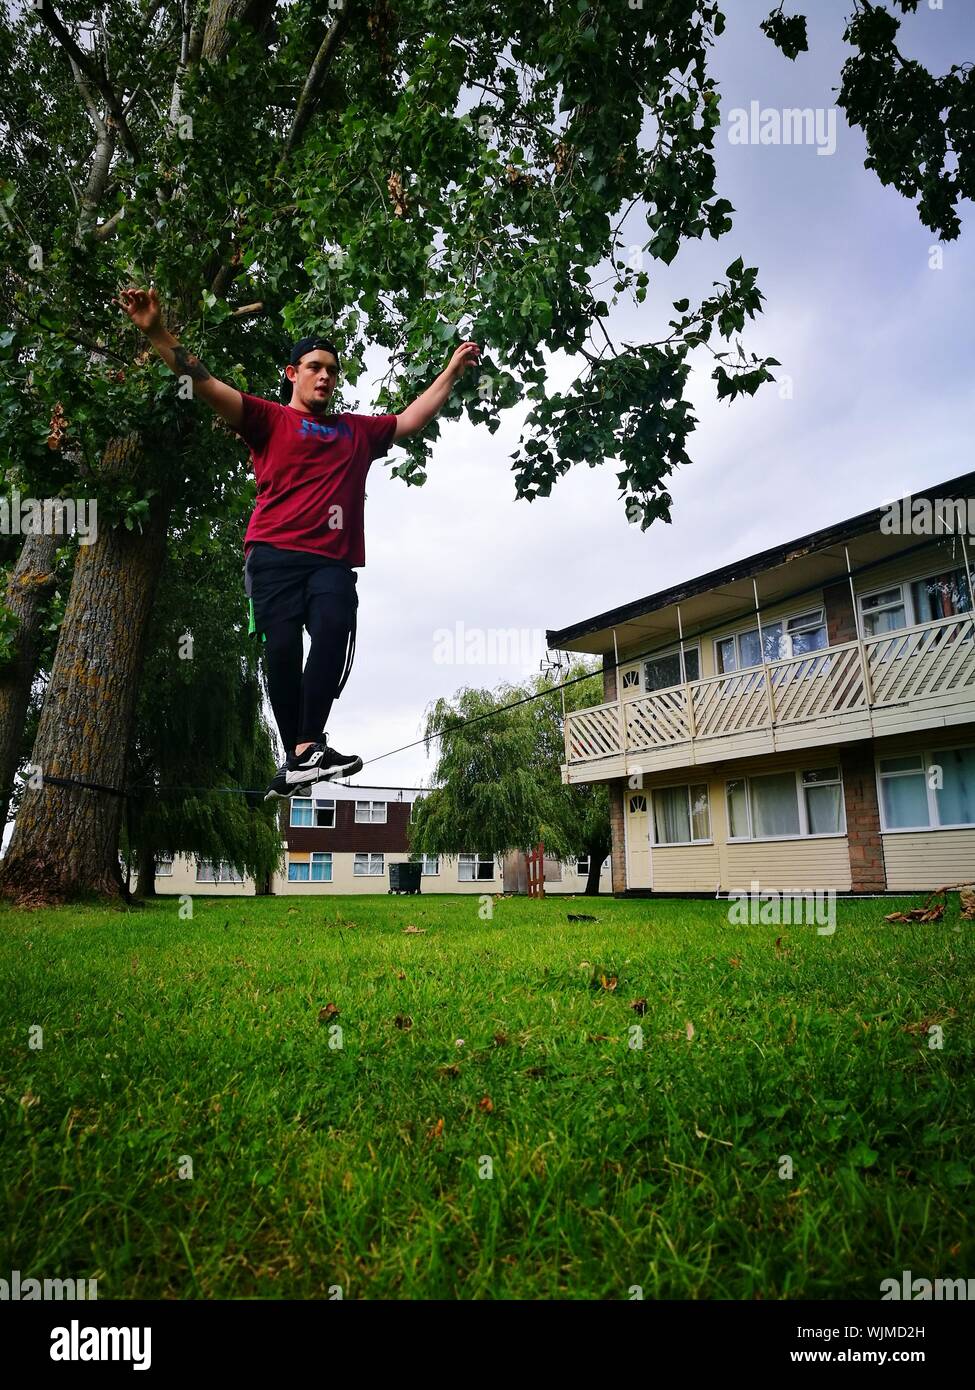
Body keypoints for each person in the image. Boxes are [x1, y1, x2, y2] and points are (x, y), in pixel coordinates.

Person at [117, 286, 479, 798]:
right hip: (272, 556)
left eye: (332, 368)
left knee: (332, 631)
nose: (325, 375)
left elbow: (413, 418)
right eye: (314, 366)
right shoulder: (269, 420)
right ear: (293, 374)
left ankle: (307, 747)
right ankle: (301, 755)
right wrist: (156, 330)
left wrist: (450, 372)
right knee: (282, 649)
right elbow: (202, 382)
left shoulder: (357, 431)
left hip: (331, 562)